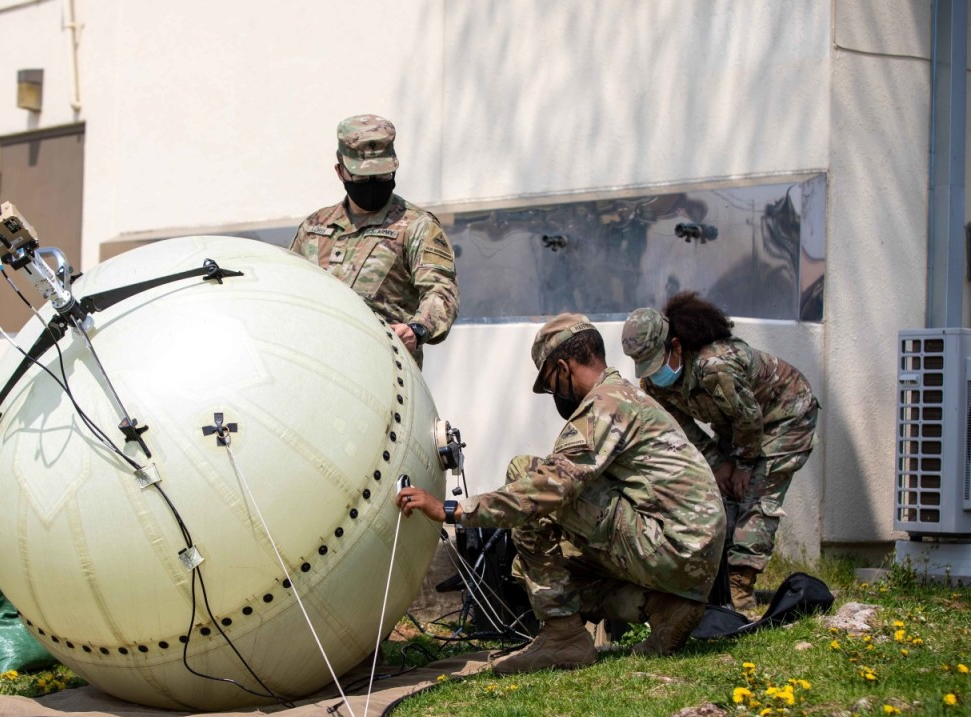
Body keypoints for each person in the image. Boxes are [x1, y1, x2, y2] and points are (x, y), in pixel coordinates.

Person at [396, 313, 726, 673]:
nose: (553, 394)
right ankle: (662, 607)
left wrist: (454, 510)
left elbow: (550, 486)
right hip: (692, 553)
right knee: (548, 572)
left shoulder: (605, 405)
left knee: (526, 472)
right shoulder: (628, 396)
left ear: (563, 368)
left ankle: (563, 637)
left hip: (672, 545)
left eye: (550, 383)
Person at [621, 292, 820, 612]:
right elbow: (684, 427)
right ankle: (718, 587)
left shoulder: (716, 365)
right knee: (720, 496)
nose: (653, 372)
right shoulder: (656, 383)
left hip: (786, 416)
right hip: (738, 428)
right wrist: (718, 465)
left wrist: (742, 465)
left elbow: (749, 416)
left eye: (657, 362)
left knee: (757, 495)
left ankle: (740, 591)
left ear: (676, 346)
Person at [289, 114, 458, 366]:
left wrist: (418, 329)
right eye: (361, 176)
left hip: (381, 370)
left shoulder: (417, 226)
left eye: (381, 176)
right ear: (340, 171)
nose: (372, 184)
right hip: (318, 364)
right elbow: (289, 292)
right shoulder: (315, 227)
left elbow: (441, 290)